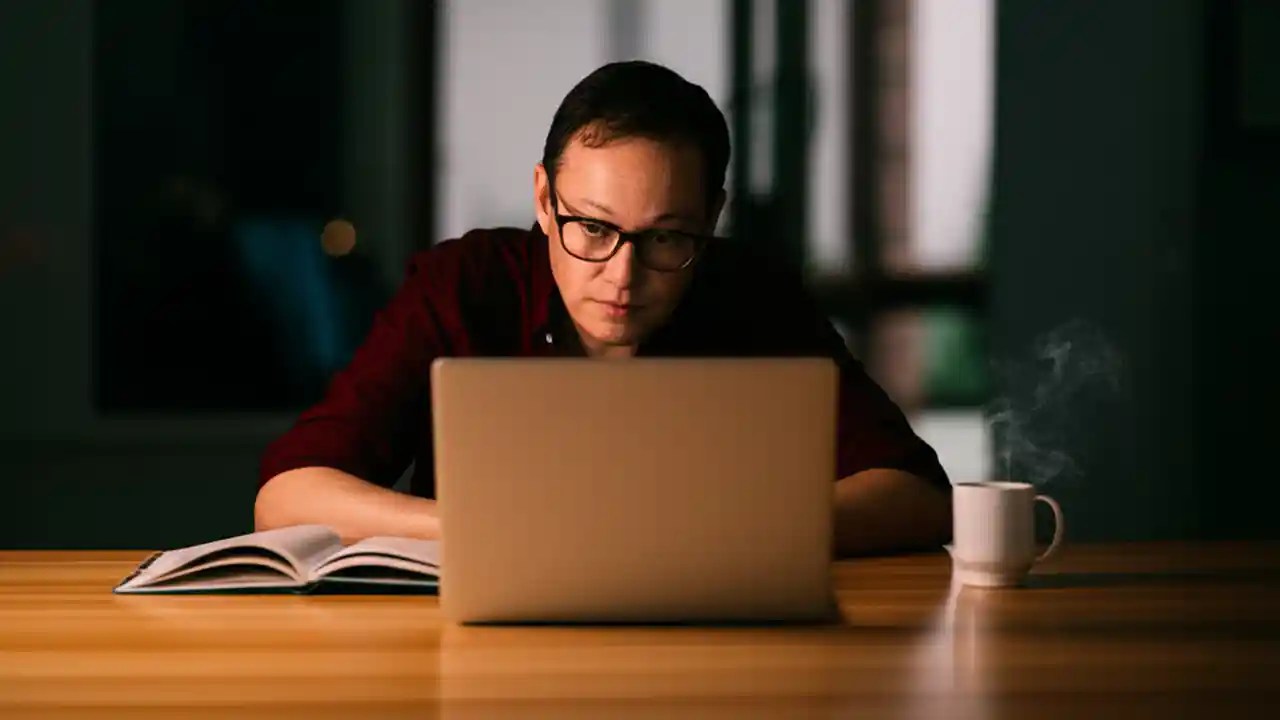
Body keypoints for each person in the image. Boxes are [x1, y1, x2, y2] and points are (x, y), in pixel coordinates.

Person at [255, 61, 951, 556]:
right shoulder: (464, 284)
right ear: (541, 198)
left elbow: (917, 496)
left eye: (667, 238)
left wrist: (723, 533)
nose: (622, 275)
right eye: (591, 227)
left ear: (712, 219)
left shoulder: (752, 293)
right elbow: (287, 498)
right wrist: (499, 529)